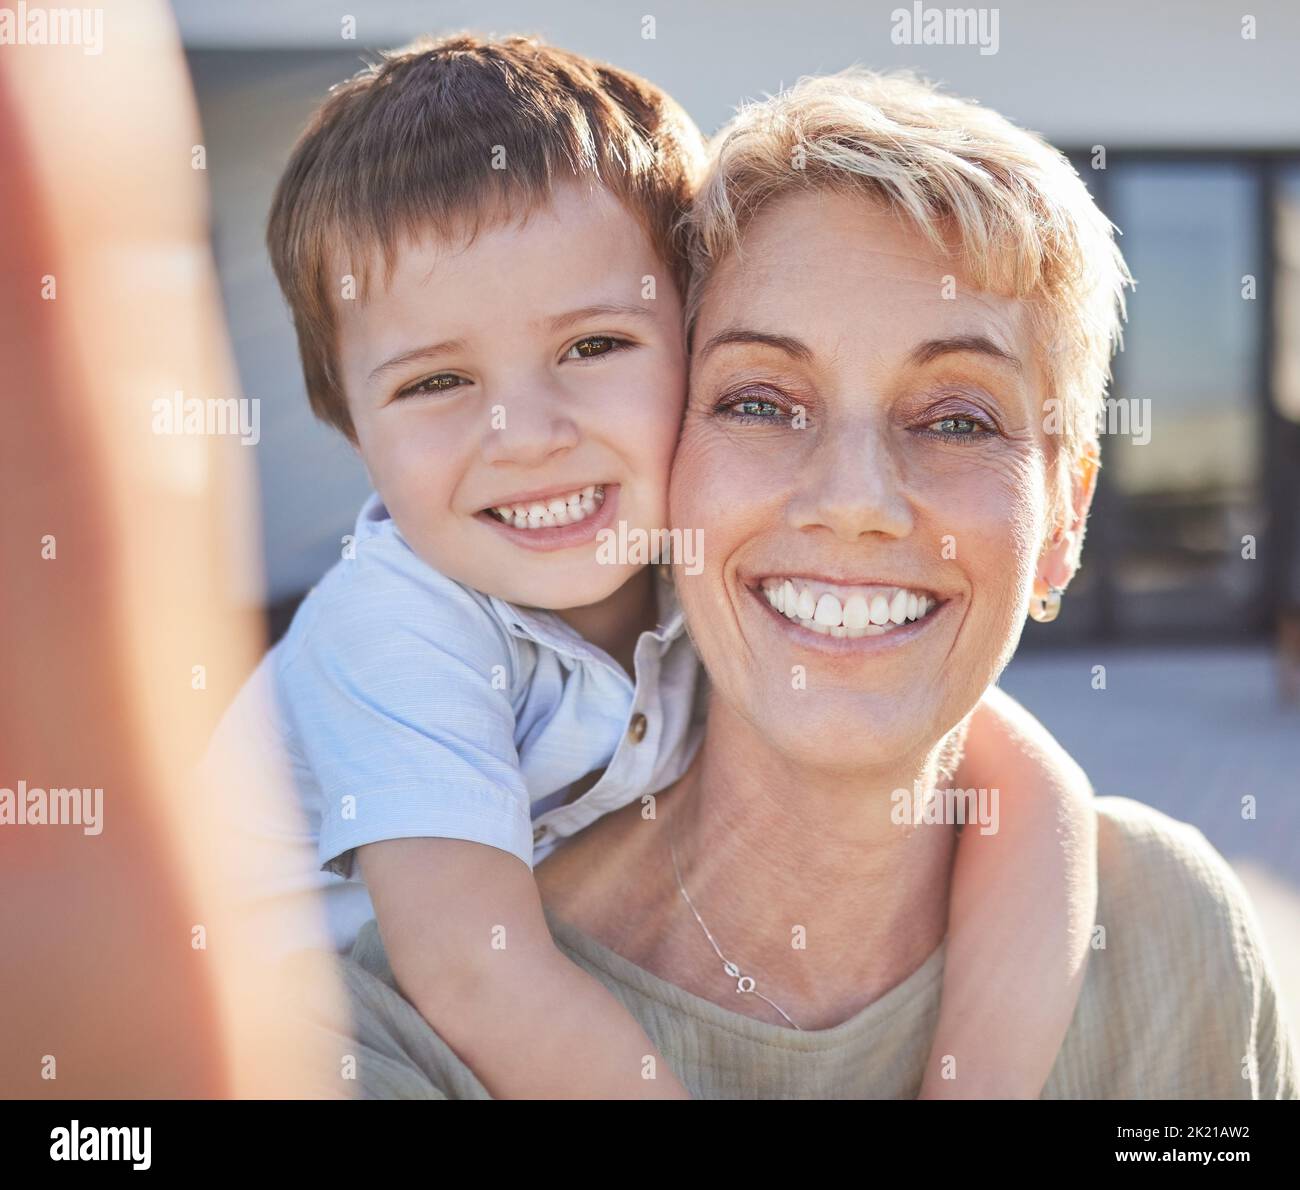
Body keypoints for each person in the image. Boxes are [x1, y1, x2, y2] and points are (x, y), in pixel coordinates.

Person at [209, 40, 1102, 1100]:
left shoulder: (696, 561)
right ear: (351, 426)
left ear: (686, 343)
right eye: (436, 380)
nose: (527, 434)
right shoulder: (393, 626)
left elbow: (1026, 785)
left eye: (591, 348)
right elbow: (473, 968)